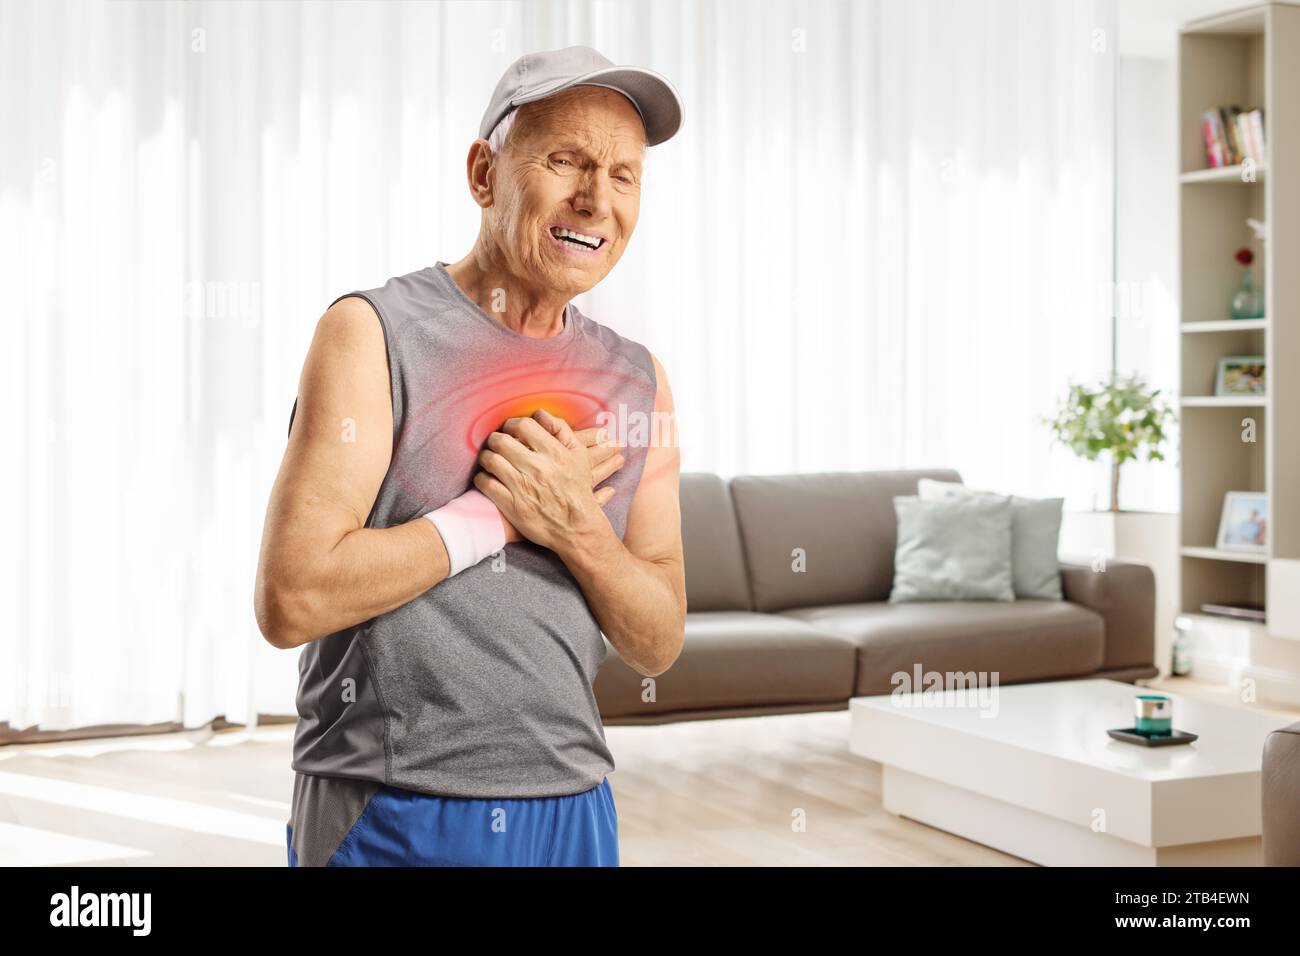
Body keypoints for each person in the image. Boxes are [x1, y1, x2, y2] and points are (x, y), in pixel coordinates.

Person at [255, 46, 687, 866]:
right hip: (395, 805)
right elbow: (292, 597)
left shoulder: (640, 380)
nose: (596, 200)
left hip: (574, 802)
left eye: (625, 176)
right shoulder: (373, 334)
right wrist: (487, 519)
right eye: (567, 161)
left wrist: (575, 528)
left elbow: (658, 639)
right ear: (485, 174)